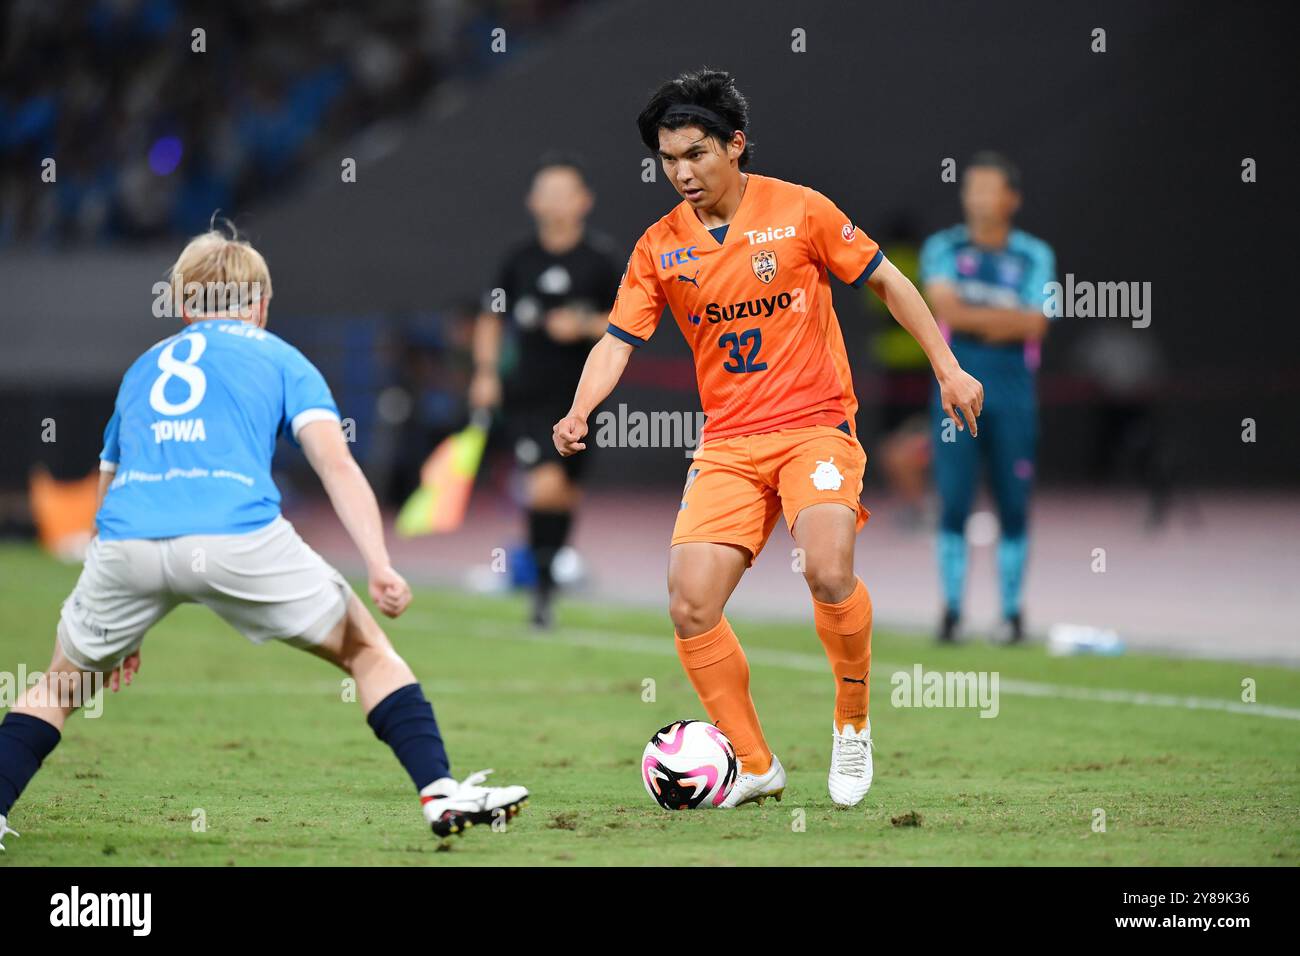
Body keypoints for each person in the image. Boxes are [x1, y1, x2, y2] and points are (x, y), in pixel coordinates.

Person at [0, 227, 527, 851]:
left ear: (186, 305)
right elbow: (335, 465)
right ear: (261, 305)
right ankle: (440, 792)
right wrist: (379, 562)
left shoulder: (143, 369)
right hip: (237, 536)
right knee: (368, 653)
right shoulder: (281, 358)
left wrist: (121, 612)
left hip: (124, 546)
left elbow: (108, 481)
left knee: (60, 686)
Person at [553, 70, 984, 808]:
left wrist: (947, 366)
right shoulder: (659, 247)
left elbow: (888, 282)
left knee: (825, 568)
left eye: (695, 154)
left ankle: (852, 726)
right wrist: (580, 407)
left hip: (815, 425)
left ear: (735, 145)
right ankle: (756, 765)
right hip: (727, 442)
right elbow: (618, 340)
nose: (682, 173)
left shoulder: (801, 210)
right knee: (690, 604)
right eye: (668, 160)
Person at [469, 154, 622, 628]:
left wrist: (580, 324)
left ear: (584, 202)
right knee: (543, 485)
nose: (555, 202)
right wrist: (486, 372)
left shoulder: (600, 260)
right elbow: (491, 319)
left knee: (565, 494)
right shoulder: (519, 260)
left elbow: (625, 323)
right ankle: (540, 590)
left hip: (583, 397)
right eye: (547, 193)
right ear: (532, 202)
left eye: (565, 193)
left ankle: (548, 581)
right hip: (529, 398)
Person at [919, 153, 1056, 644]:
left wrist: (977, 315)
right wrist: (1006, 317)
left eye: (988, 188)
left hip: (1014, 388)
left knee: (1014, 502)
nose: (976, 197)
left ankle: (1013, 615)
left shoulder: (1035, 254)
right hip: (956, 384)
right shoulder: (943, 248)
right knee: (954, 500)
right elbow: (945, 307)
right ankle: (952, 612)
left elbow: (1037, 323)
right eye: (970, 188)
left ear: (1011, 199)